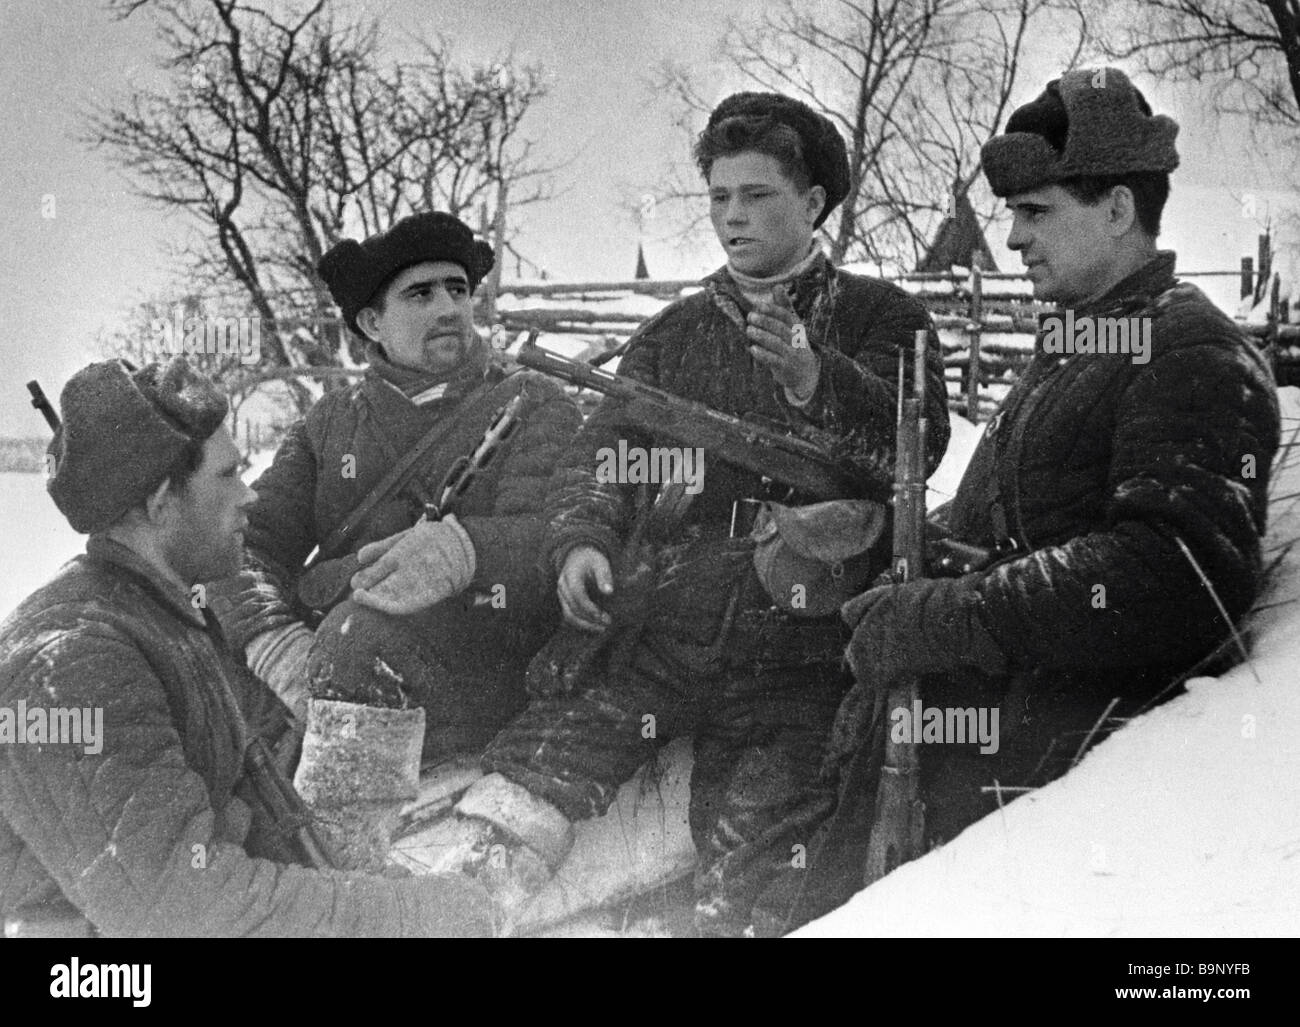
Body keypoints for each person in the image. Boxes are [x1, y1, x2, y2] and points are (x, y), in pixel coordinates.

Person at [438, 92, 951, 937]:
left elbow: (915, 453)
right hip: (661, 620)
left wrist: (817, 382)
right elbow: (604, 452)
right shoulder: (675, 334)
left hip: (806, 644)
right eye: (719, 197)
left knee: (754, 882)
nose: (732, 217)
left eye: (757, 196)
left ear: (815, 202)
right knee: (521, 795)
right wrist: (581, 542)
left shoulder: (881, 319)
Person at [813, 67, 1281, 918]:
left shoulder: (1188, 351)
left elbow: (1178, 576)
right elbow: (1001, 528)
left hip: (1062, 776)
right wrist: (890, 550)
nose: (1016, 239)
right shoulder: (1075, 349)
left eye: (1038, 212)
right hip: (978, 731)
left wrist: (953, 616)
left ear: (1117, 210)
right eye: (1013, 214)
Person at [0, 358, 493, 937]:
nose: (250, 497)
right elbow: (184, 908)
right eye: (228, 475)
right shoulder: (75, 661)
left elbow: (260, 823)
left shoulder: (167, 618)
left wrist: (400, 894)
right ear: (160, 501)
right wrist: (409, 918)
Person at [212, 212, 581, 762]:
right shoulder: (329, 422)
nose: (448, 309)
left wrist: (467, 550)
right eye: (420, 295)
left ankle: (343, 841)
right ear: (372, 324)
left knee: (355, 639)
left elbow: (554, 538)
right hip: (335, 657)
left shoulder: (533, 404)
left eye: (457, 290)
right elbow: (246, 540)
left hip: (483, 667)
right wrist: (273, 640)